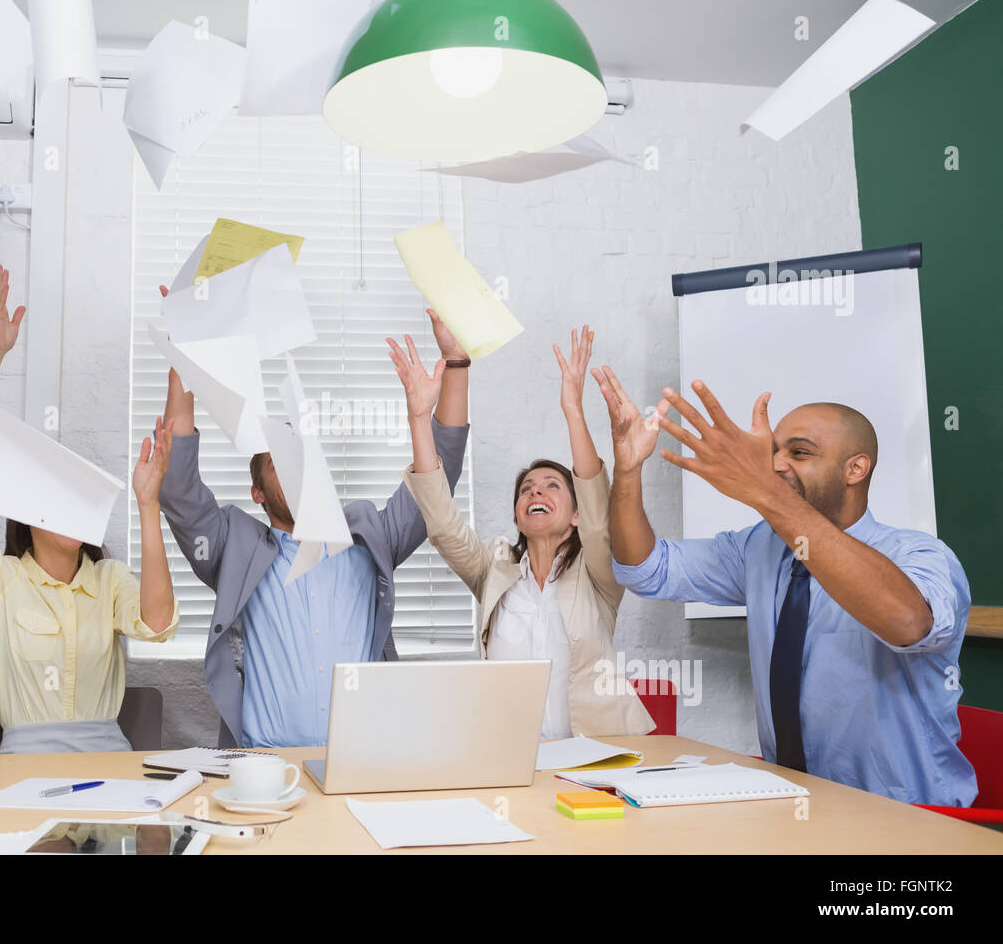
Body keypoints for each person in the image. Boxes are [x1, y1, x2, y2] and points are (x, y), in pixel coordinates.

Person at [593, 367, 975, 806]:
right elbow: (646, 569)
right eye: (774, 451)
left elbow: (909, 623)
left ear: (855, 469)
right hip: (794, 806)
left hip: (911, 822)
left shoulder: (921, 555)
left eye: (799, 453)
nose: (775, 464)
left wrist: (763, 493)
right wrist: (627, 470)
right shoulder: (762, 547)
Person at [159, 310, 470, 748]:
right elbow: (178, 491)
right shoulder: (236, 547)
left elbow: (438, 483)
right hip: (264, 769)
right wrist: (183, 360)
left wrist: (455, 364)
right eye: (278, 461)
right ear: (257, 493)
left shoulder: (370, 538)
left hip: (361, 760)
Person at [0, 265, 178, 753]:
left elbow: (156, 624)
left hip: (109, 765)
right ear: (28, 513)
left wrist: (148, 504)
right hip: (24, 768)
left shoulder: (107, 580)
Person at [396, 323, 653, 738]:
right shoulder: (493, 573)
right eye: (527, 489)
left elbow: (599, 517)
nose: (537, 491)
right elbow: (442, 523)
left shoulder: (599, 577)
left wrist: (573, 409)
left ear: (575, 515)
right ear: (518, 516)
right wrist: (419, 418)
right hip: (509, 760)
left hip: (594, 759)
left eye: (553, 486)